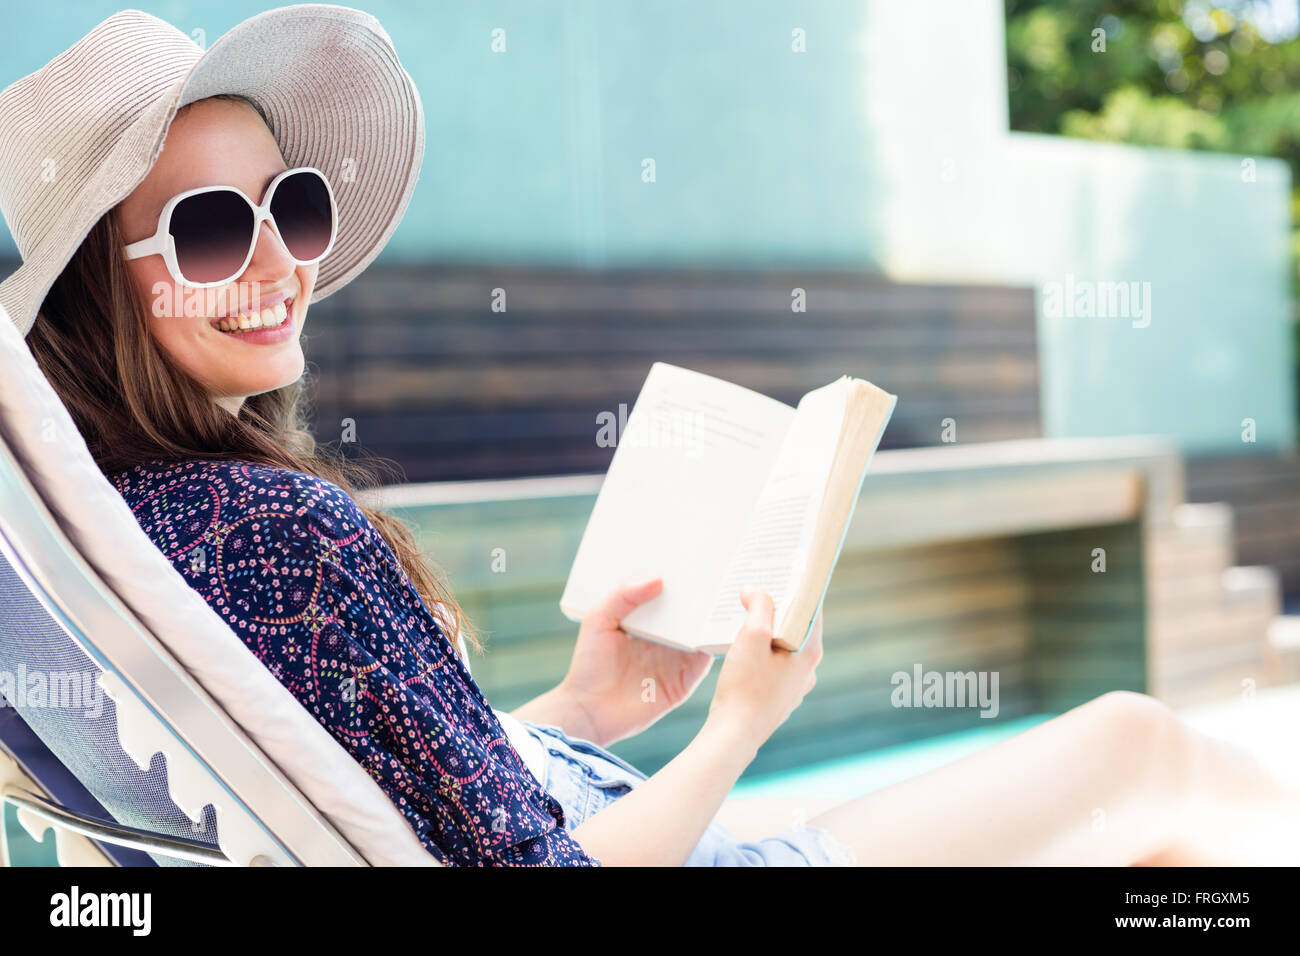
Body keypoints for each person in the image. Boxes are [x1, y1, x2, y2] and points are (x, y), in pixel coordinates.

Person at [4, 7, 1298, 868]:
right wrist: (740, 723)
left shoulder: (114, 543)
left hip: (579, 795)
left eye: (292, 207)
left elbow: (366, 815)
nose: (281, 262)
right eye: (215, 232)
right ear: (101, 293)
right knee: (1142, 748)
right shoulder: (281, 533)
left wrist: (581, 708)